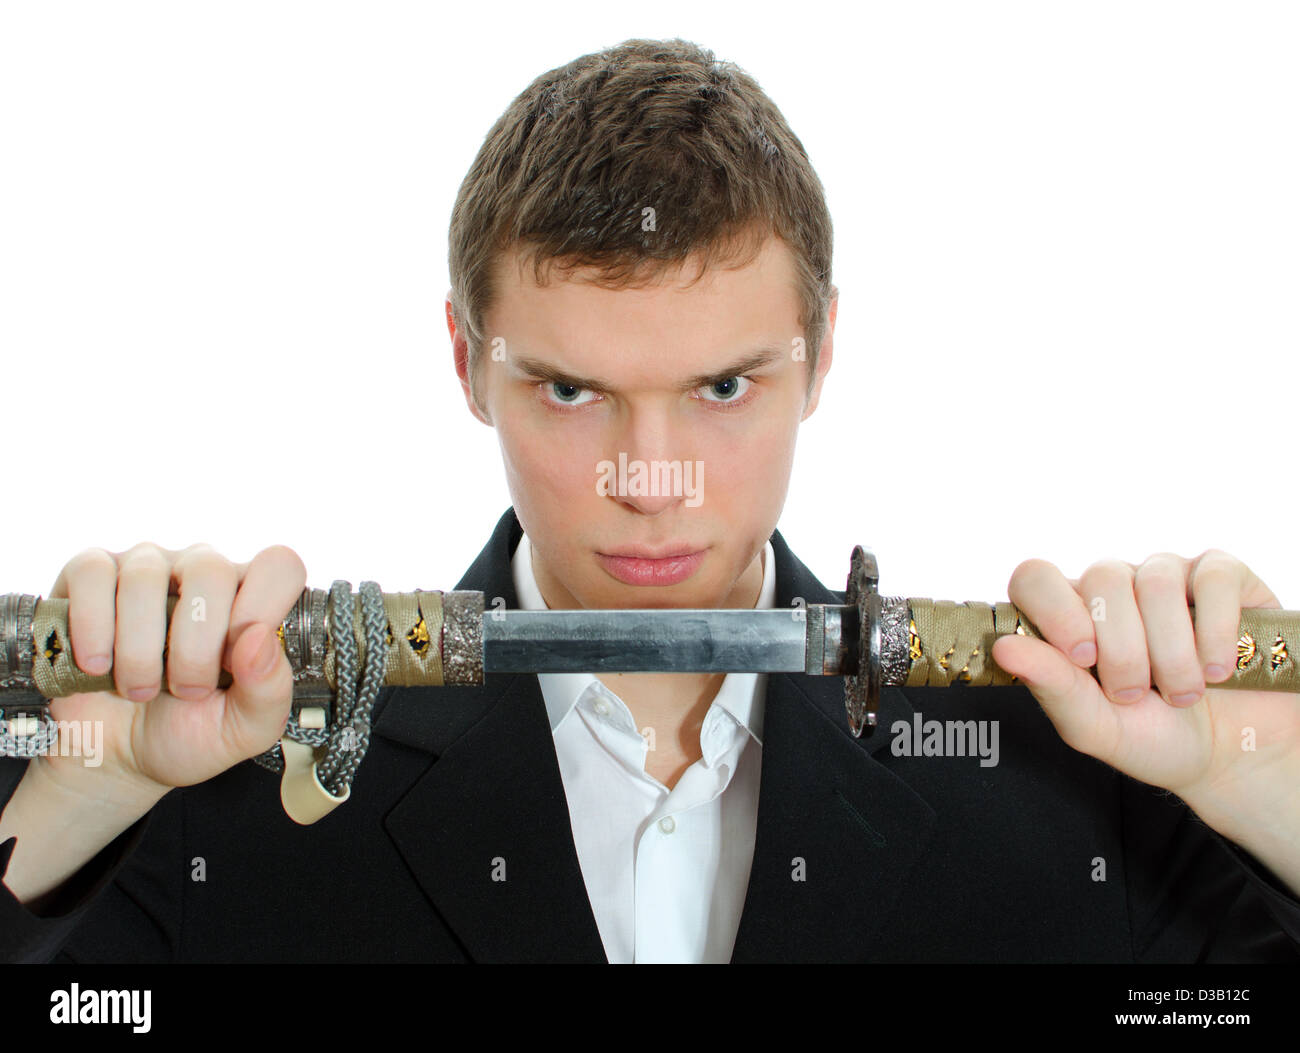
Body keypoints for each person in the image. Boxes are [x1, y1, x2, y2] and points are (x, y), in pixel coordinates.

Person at [2, 37, 1298, 964]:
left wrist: (1268, 783)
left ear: (823, 355)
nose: (651, 478)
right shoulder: (222, 789)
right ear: (467, 364)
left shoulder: (1071, 790)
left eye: (724, 384)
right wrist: (83, 775)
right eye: (571, 392)